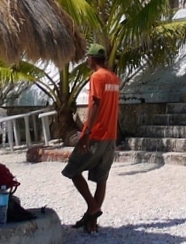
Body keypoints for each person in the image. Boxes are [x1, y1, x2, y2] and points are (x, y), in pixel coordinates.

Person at [63, 44, 119, 234]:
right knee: (101, 178)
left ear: (93, 59)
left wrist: (86, 133)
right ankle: (92, 223)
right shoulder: (114, 78)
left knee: (72, 169)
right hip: (111, 136)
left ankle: (93, 208)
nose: (86, 60)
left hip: (96, 134)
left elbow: (95, 103)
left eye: (88, 57)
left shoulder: (97, 77)